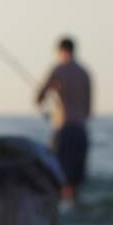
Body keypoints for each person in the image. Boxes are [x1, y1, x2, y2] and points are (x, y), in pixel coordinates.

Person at [35, 37, 92, 202]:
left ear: (61, 51)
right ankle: (75, 212)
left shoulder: (58, 70)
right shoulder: (85, 73)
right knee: (75, 182)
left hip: (63, 129)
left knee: (57, 176)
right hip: (81, 131)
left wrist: (53, 92)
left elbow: (38, 98)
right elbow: (88, 110)